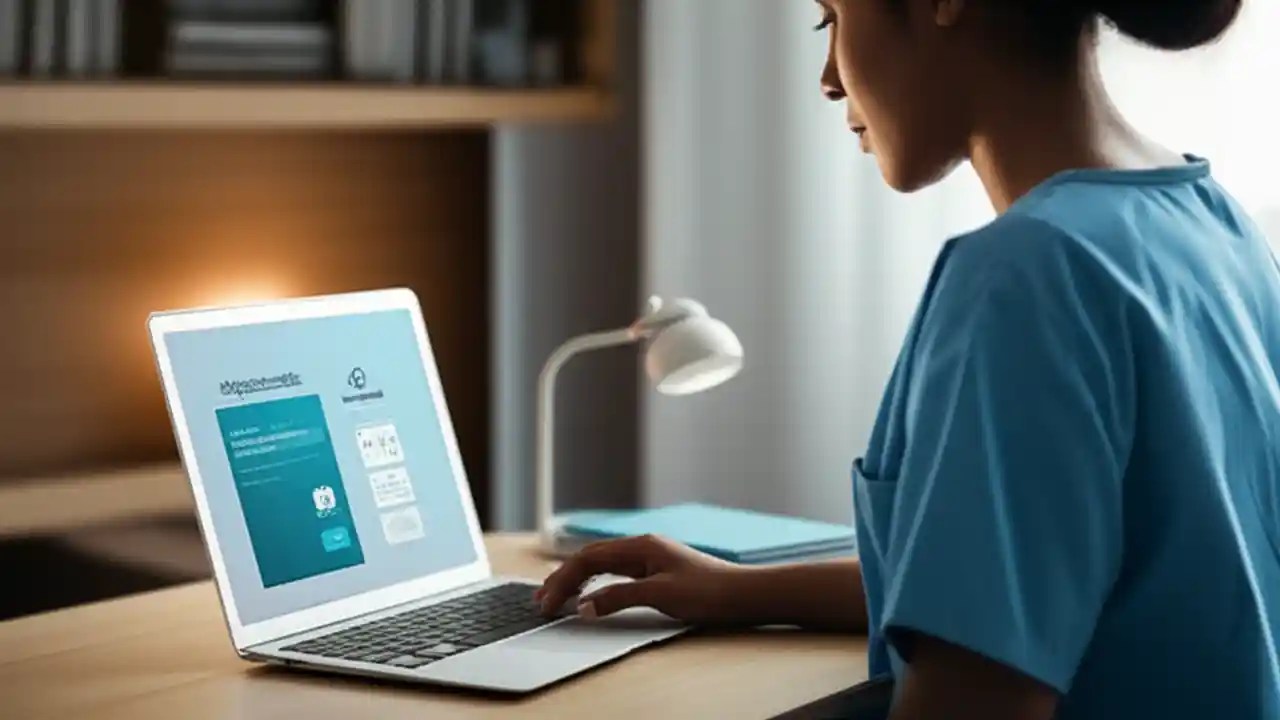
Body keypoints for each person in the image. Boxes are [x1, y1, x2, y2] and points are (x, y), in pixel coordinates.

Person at [536, 0, 1280, 718]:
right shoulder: (1213, 222)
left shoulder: (1027, 275)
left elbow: (977, 695)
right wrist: (738, 591)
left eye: (834, 19)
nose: (829, 77)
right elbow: (1012, 581)